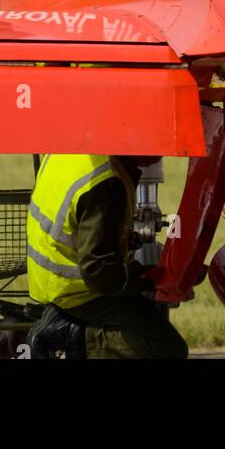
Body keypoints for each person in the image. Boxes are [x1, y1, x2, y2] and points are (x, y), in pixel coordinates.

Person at [26, 153, 188, 360]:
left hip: (48, 281)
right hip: (80, 291)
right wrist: (147, 278)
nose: (161, 152)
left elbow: (76, 224)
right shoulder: (106, 182)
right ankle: (75, 336)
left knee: (148, 315)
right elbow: (99, 273)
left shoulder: (65, 151)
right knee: (167, 348)